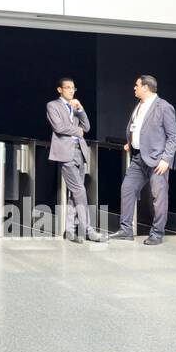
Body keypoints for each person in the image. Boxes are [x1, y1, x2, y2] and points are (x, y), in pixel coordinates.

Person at [118, 74, 176, 245]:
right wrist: (130, 143)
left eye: (137, 85)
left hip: (158, 160)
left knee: (158, 197)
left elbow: (173, 137)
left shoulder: (164, 107)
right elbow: (137, 128)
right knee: (127, 189)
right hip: (139, 157)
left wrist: (166, 159)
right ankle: (126, 230)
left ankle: (157, 233)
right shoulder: (140, 105)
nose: (134, 88)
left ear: (145, 87)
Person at [46, 77, 106, 244]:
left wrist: (80, 109)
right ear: (60, 90)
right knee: (80, 191)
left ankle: (70, 230)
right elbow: (59, 128)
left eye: (73, 88)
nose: (71, 91)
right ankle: (88, 229)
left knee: (75, 193)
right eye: (67, 88)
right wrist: (78, 131)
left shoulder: (75, 106)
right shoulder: (53, 105)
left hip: (80, 152)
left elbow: (87, 127)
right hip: (65, 153)